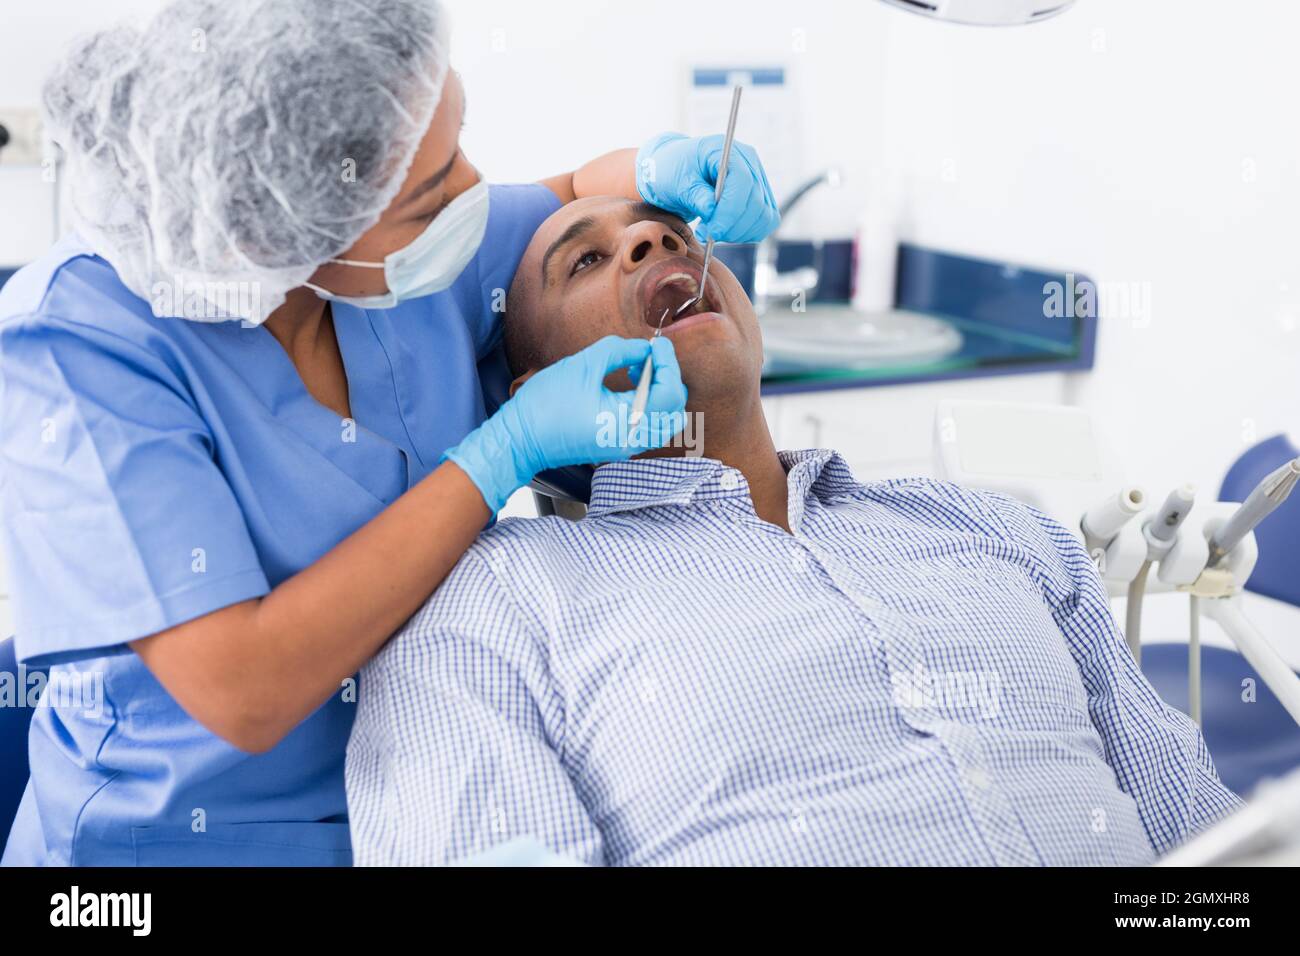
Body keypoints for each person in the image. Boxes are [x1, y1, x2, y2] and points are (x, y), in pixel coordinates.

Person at [0, 0, 779, 867]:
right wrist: (500, 453)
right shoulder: (79, 343)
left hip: (416, 817)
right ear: (276, 225)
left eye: (458, 143)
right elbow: (241, 686)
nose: (474, 194)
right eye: (430, 191)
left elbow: (570, 200)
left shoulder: (390, 262)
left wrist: (662, 164)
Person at [346, 196, 1242, 866]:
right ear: (532, 387)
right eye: (583, 264)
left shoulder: (994, 529)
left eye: (673, 233)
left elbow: (1201, 837)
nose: (651, 242)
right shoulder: (493, 608)